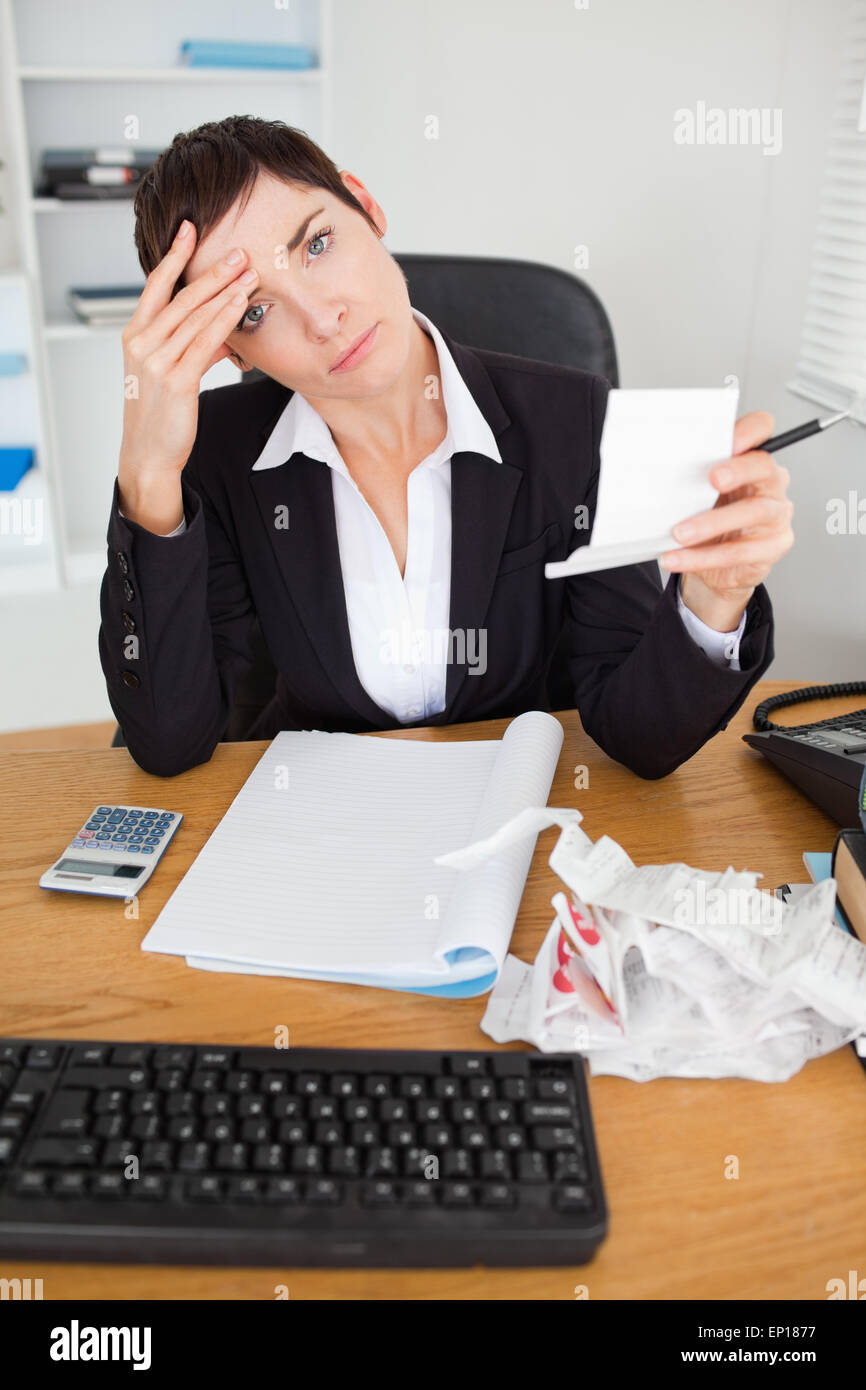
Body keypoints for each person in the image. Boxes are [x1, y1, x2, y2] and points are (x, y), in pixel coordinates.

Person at [99, 116, 793, 778]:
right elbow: (170, 743)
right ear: (227, 347)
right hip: (323, 836)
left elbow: (641, 740)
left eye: (316, 244)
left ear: (366, 207)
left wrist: (712, 598)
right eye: (253, 310)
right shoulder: (217, 455)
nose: (322, 317)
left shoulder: (572, 420)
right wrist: (149, 472)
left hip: (522, 826)